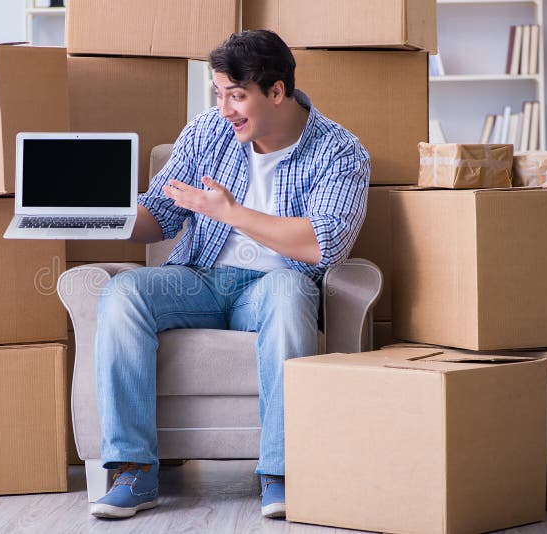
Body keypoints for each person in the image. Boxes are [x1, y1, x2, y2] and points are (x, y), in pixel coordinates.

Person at [89, 29, 370, 520]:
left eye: (237, 96)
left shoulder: (340, 152)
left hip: (275, 284)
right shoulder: (206, 132)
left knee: (287, 292)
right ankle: (134, 472)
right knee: (122, 292)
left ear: (276, 91)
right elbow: (159, 214)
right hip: (198, 278)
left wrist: (230, 211)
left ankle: (281, 473)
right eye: (220, 94)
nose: (225, 109)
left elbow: (325, 244)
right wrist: (96, 215)